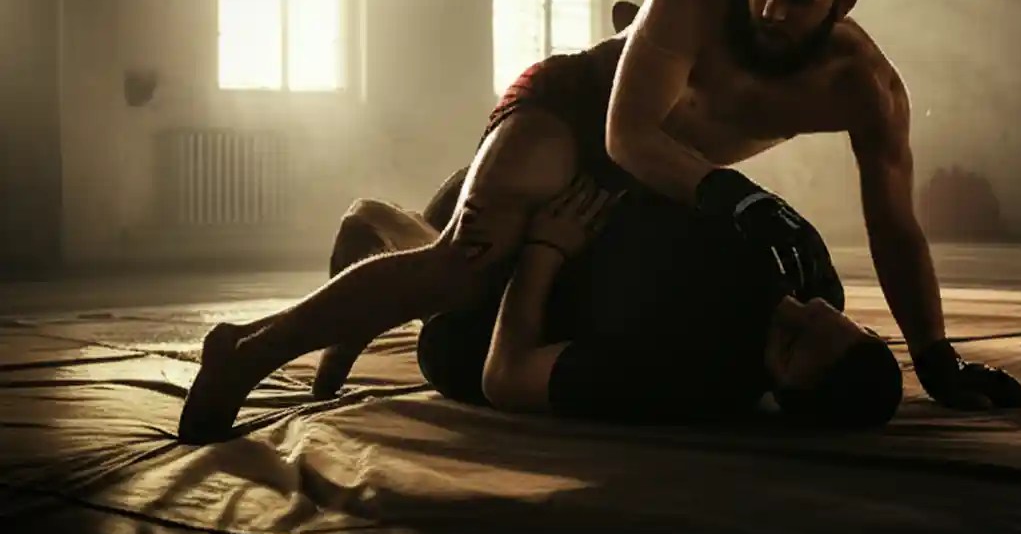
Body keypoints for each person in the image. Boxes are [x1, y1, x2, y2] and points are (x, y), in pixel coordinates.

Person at [178, 0, 1021, 444]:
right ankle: (243, 353)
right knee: (463, 265)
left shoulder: (868, 90)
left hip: (661, 176)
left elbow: (895, 225)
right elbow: (626, 135)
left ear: (842, 2)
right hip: (577, 111)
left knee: (487, 264)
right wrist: (738, 197)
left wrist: (935, 360)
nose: (771, 9)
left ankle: (378, 230)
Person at [325, 174, 903, 426]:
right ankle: (376, 295)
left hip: (484, 323)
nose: (792, 311)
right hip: (562, 230)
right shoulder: (808, 279)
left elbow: (505, 376)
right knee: (482, 177)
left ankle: (359, 313)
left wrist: (545, 251)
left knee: (366, 220)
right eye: (822, 317)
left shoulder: (687, 377)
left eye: (790, 342)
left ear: (780, 392)